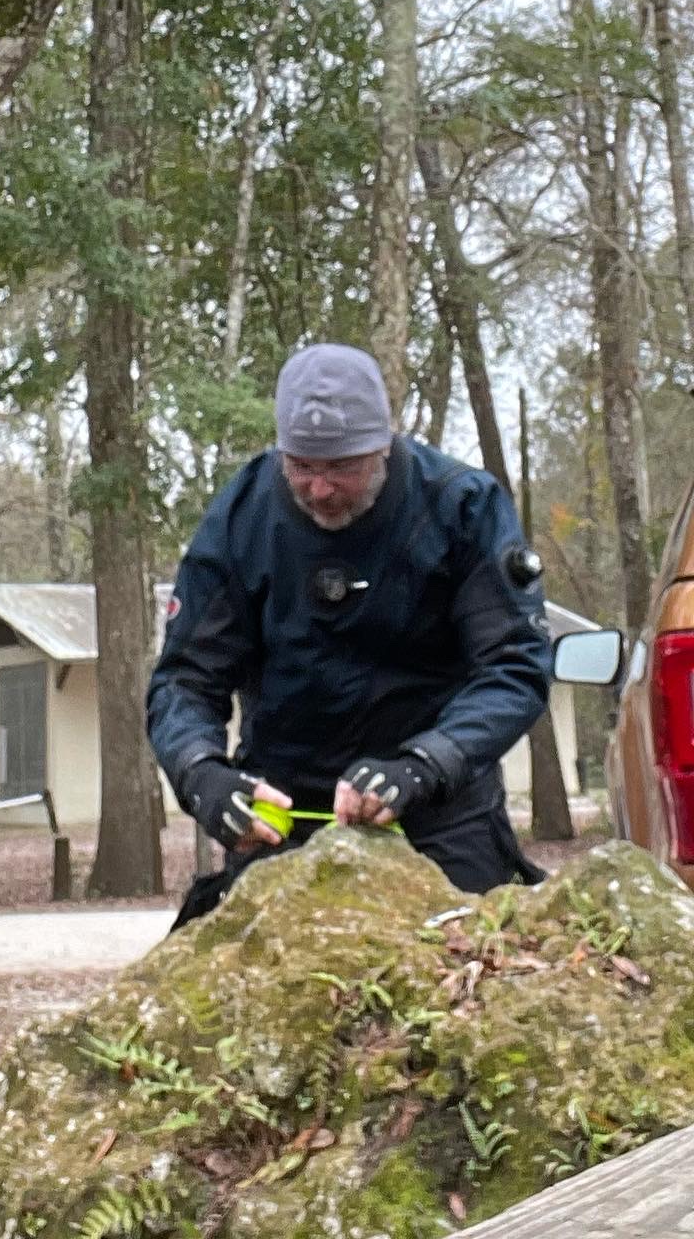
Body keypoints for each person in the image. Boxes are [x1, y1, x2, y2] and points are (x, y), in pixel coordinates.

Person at [148, 344, 552, 929]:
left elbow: (514, 666)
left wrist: (427, 763)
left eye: (342, 468)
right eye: (301, 466)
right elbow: (185, 678)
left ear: (383, 443)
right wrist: (201, 772)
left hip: (440, 810)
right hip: (286, 815)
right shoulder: (244, 515)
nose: (319, 489)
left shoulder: (461, 507)